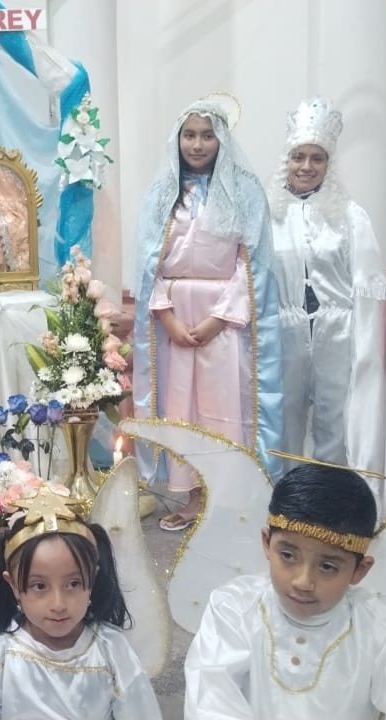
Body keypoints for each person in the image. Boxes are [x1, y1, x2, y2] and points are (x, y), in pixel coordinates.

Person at [184, 463, 386, 719]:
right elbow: (211, 701)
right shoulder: (234, 609)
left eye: (327, 566)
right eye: (288, 555)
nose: (303, 581)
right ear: (267, 543)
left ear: (360, 570)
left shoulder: (379, 631)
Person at [132, 98, 283, 532]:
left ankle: (230, 499)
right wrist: (167, 317)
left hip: (224, 319)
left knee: (225, 406)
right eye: (189, 134)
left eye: (207, 135)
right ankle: (193, 496)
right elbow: (148, 265)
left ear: (222, 139)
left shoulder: (245, 191)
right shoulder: (162, 193)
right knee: (183, 409)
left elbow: (254, 263)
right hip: (174, 318)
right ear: (177, 140)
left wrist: (219, 318)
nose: (197, 144)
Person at [266, 97, 386, 520]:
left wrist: (367, 347)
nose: (306, 166)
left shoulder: (350, 215)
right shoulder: (268, 215)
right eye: (298, 157)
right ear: (286, 160)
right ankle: (288, 504)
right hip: (285, 330)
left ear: (328, 164)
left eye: (316, 158)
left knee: (334, 424)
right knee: (284, 422)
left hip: (338, 331)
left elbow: (369, 287)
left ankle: (329, 507)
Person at [0, 489, 161, 719]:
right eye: (40, 586)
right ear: (14, 585)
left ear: (92, 578)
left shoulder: (112, 651)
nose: (58, 604)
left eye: (73, 584)